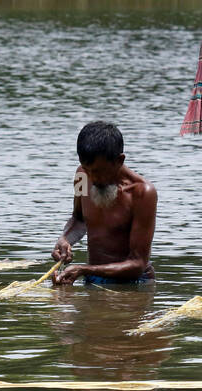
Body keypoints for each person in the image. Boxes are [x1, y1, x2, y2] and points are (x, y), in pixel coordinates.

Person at [52, 121, 157, 286]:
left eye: (99, 172)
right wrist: (65, 239)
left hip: (134, 284)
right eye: (88, 170)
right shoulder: (81, 175)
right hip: (91, 278)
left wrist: (83, 269)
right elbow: (78, 218)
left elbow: (138, 264)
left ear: (119, 160)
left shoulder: (143, 193)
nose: (92, 178)